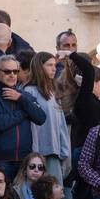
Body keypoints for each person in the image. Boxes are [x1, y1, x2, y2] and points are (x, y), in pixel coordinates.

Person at [22, 52, 71, 184]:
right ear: (39, 67)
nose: (54, 68)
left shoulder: (53, 91)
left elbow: (61, 124)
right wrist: (35, 151)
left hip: (54, 151)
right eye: (49, 65)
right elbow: (32, 125)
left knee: (55, 193)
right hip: (38, 152)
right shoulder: (29, 91)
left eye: (55, 65)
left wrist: (64, 149)